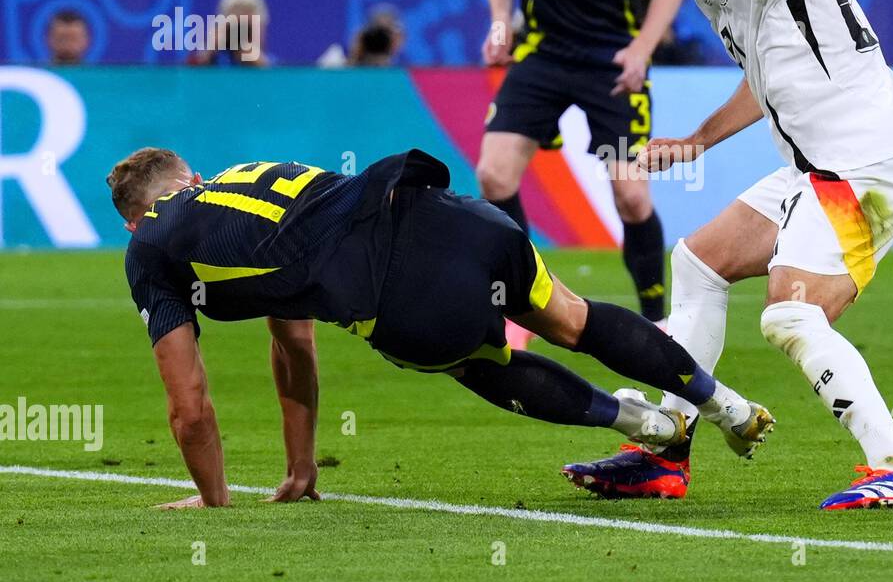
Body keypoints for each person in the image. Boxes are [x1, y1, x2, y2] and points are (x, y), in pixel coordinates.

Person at [106, 147, 772, 508]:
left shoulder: (149, 246)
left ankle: (645, 425)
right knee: (575, 318)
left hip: (400, 286)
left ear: (135, 219)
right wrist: (302, 464)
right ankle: (725, 403)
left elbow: (188, 403)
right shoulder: (244, 179)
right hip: (444, 209)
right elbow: (293, 339)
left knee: (479, 361)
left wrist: (213, 498)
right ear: (191, 175)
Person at [583, 0, 893, 509]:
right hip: (819, 166)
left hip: (867, 163)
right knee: (698, 262)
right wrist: (696, 142)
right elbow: (764, 75)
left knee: (791, 312)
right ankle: (664, 453)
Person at [478, 0, 683, 329]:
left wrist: (641, 48)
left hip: (612, 63)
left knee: (631, 196)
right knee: (493, 176)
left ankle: (658, 323)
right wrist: (500, 20)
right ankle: (530, 296)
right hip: (540, 57)